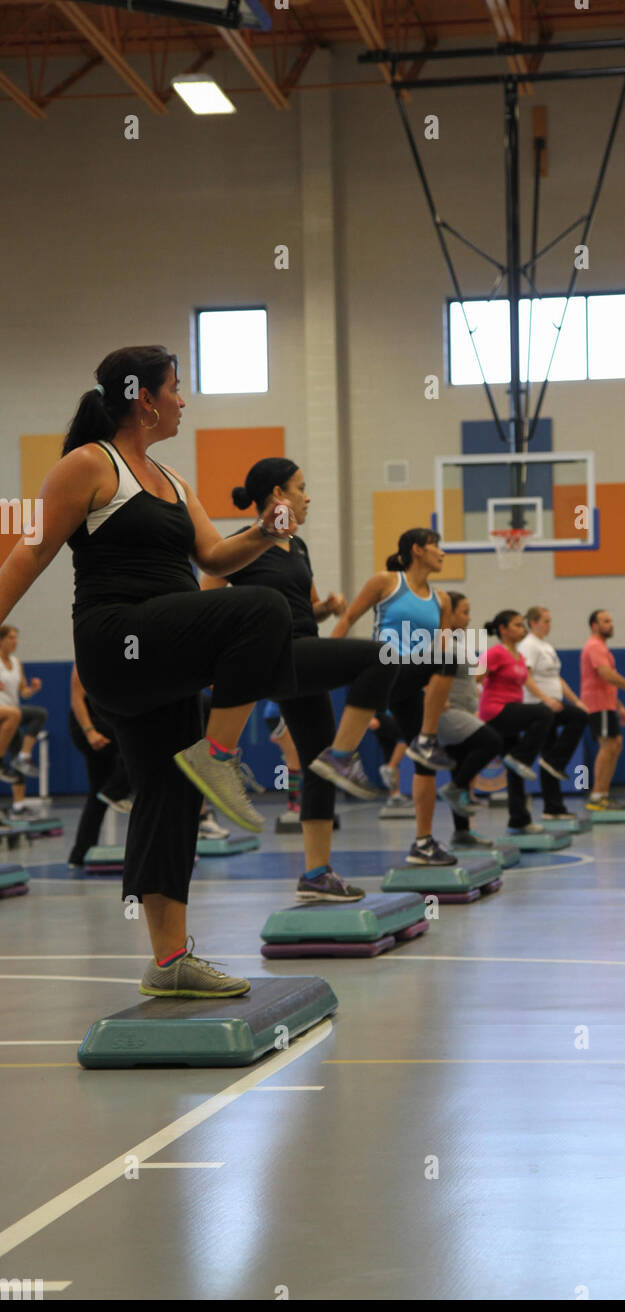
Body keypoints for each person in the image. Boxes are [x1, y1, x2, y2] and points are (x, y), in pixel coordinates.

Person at [0, 344, 358, 998]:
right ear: (144, 397)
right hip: (117, 638)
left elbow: (218, 551)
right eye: (177, 387)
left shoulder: (171, 479)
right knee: (263, 609)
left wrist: (269, 528)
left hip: (164, 656)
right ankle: (217, 754)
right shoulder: (88, 465)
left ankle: (169, 964)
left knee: (168, 797)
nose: (184, 399)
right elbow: (29, 556)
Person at [202, 456, 397, 901]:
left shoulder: (299, 546)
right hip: (275, 657)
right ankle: (344, 756)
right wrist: (218, 668)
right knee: (382, 655)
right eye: (300, 487)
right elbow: (205, 607)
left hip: (304, 656)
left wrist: (327, 608)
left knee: (316, 767)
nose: (307, 497)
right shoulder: (237, 545)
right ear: (277, 495)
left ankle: (316, 874)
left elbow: (306, 609)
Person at [331, 527, 458, 866]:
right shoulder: (386, 582)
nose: (442, 553)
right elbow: (348, 618)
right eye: (436, 546)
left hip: (411, 682)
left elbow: (442, 648)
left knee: (425, 763)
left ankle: (423, 843)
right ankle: (425, 740)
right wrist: (329, 664)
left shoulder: (441, 599)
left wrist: (438, 692)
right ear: (417, 550)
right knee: (449, 660)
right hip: (382, 670)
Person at [478, 610, 555, 835]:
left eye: (523, 626)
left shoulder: (519, 656)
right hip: (497, 712)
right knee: (544, 714)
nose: (522, 629)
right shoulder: (495, 653)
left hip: (510, 713)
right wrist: (473, 707)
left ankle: (518, 820)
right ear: (503, 630)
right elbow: (474, 678)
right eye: (517, 625)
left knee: (514, 771)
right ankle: (521, 758)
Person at [436, 592, 502, 848]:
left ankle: (461, 832)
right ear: (448, 614)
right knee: (491, 742)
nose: (469, 617)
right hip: (447, 713)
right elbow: (422, 673)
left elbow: (469, 678)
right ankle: (455, 787)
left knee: (460, 763)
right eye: (464, 611)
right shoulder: (438, 640)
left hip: (464, 710)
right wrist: (434, 697)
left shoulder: (460, 641)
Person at [518, 605, 590, 819]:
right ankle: (555, 762)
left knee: (548, 755)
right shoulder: (529, 646)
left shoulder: (546, 646)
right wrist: (545, 699)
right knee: (578, 718)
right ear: (533, 623)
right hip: (539, 707)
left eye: (550, 621)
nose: (549, 625)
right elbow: (525, 676)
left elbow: (556, 678)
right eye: (545, 621)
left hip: (553, 704)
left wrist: (576, 700)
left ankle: (553, 807)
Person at [580, 609, 625, 813]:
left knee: (615, 744)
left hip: (607, 704)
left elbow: (606, 682)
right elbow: (607, 675)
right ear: (594, 625)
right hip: (597, 705)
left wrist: (620, 706)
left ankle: (603, 794)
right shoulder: (594, 646)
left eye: (611, 621)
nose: (610, 624)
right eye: (605, 621)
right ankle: (597, 795)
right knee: (608, 745)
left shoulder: (602, 647)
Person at [67, 663, 132, 867]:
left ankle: (79, 855)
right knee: (140, 745)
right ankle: (114, 791)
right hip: (89, 725)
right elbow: (77, 698)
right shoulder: (84, 658)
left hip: (107, 722)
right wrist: (89, 731)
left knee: (97, 793)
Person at [0, 624, 49, 815]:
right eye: (11, 638)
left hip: (11, 716)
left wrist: (33, 689)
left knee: (38, 714)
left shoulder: (16, 662)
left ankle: (18, 805)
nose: (15, 642)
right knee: (16, 713)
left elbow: (23, 692)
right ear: (1, 640)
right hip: (5, 712)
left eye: (17, 638)